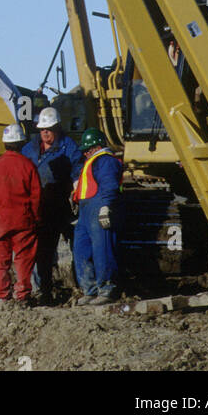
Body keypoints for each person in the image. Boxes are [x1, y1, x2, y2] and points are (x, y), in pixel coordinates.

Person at [21, 106, 83, 305]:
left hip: (58, 205)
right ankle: (41, 290)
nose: (45, 133)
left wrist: (76, 193)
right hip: (37, 206)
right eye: (42, 129)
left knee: (69, 247)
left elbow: (77, 172)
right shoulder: (30, 148)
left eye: (49, 129)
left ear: (57, 128)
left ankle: (76, 288)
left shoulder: (69, 147)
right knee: (40, 251)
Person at [0, 124, 42, 306]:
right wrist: (36, 217)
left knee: (1, 259)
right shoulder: (28, 166)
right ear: (22, 142)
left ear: (5, 143)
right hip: (23, 221)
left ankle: (1, 294)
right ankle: (22, 295)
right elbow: (36, 196)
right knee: (23, 259)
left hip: (1, 221)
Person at [72, 127, 122, 304]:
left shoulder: (105, 161)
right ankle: (90, 289)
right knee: (81, 250)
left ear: (95, 146)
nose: (85, 153)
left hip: (98, 208)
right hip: (86, 211)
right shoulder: (93, 161)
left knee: (103, 249)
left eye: (87, 149)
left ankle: (106, 289)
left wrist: (105, 207)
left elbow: (109, 184)